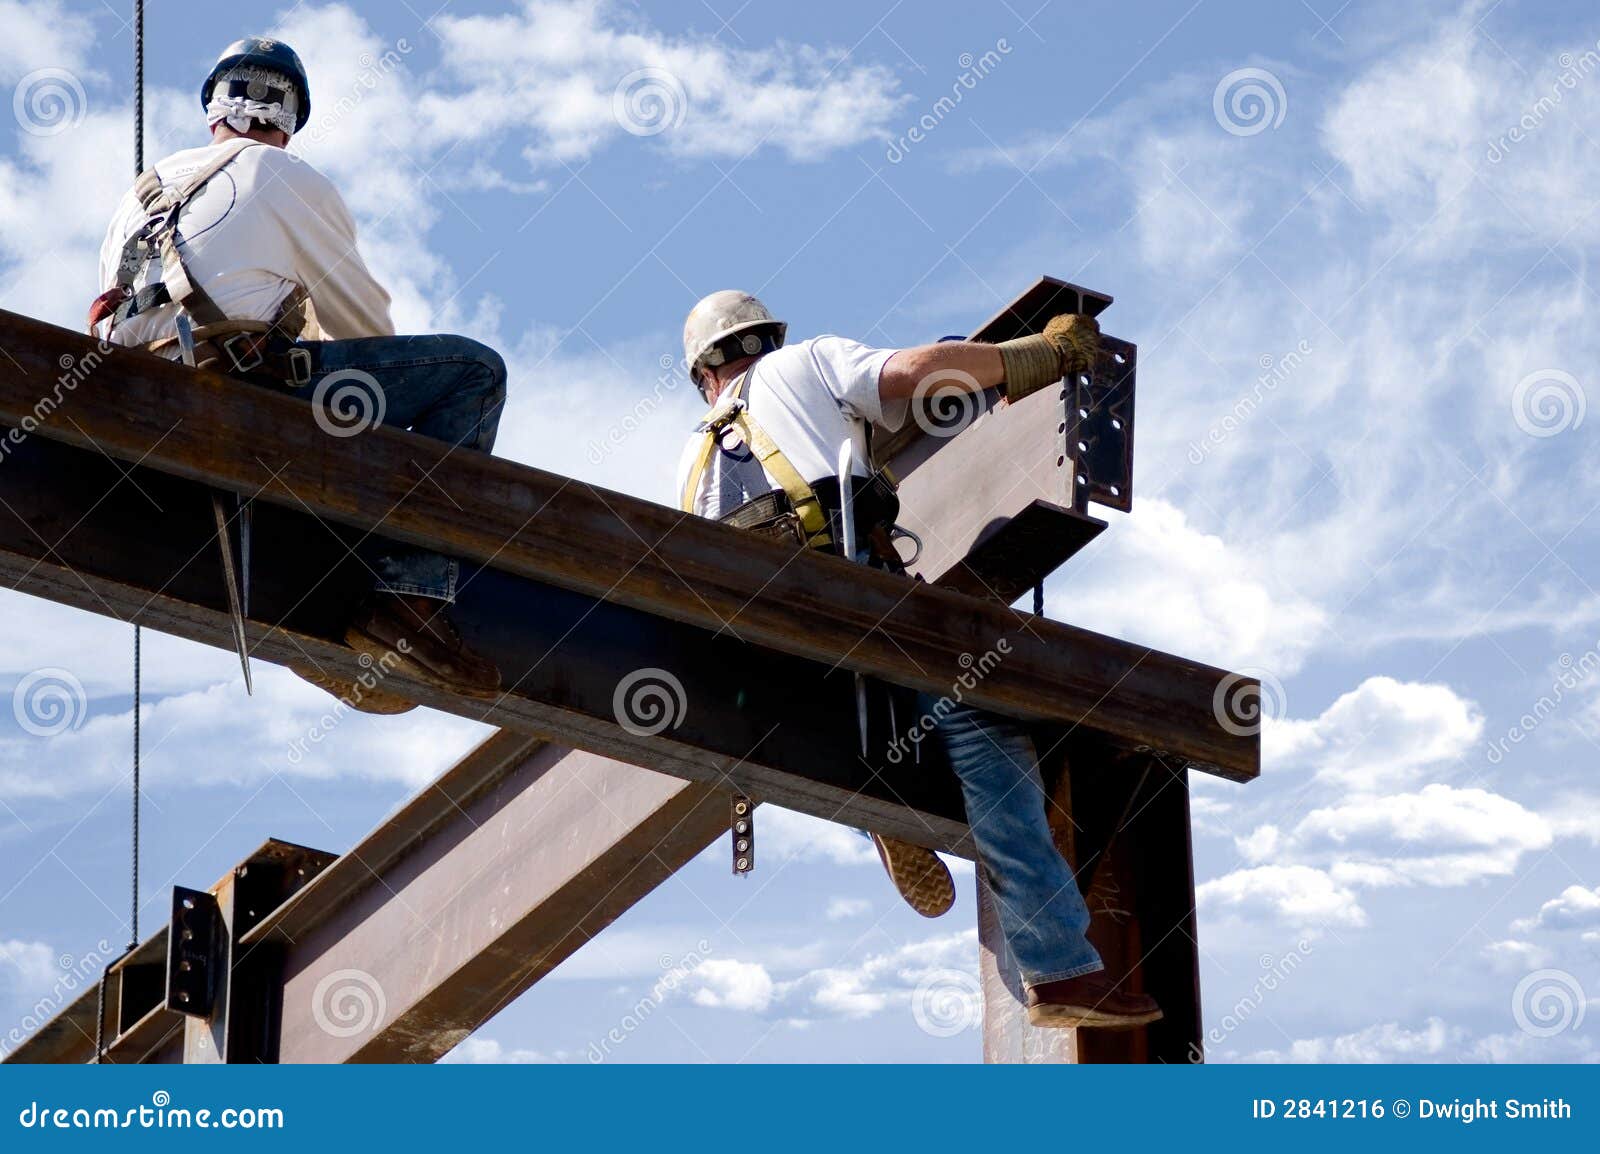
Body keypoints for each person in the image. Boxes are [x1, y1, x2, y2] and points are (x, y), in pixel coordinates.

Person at [674, 290, 1160, 1028]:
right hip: (842, 605)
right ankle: (1060, 968)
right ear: (767, 338)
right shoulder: (805, 363)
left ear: (704, 374)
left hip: (751, 669)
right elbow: (915, 373)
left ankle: (882, 804)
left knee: (860, 730)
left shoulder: (691, 454)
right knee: (983, 728)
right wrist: (1037, 358)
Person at [92, 37, 503, 711]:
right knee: (471, 374)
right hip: (234, 396)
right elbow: (362, 326)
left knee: (309, 398)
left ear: (213, 109)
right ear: (289, 120)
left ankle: (316, 590)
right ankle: (410, 603)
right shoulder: (287, 178)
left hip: (133, 406)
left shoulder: (139, 194)